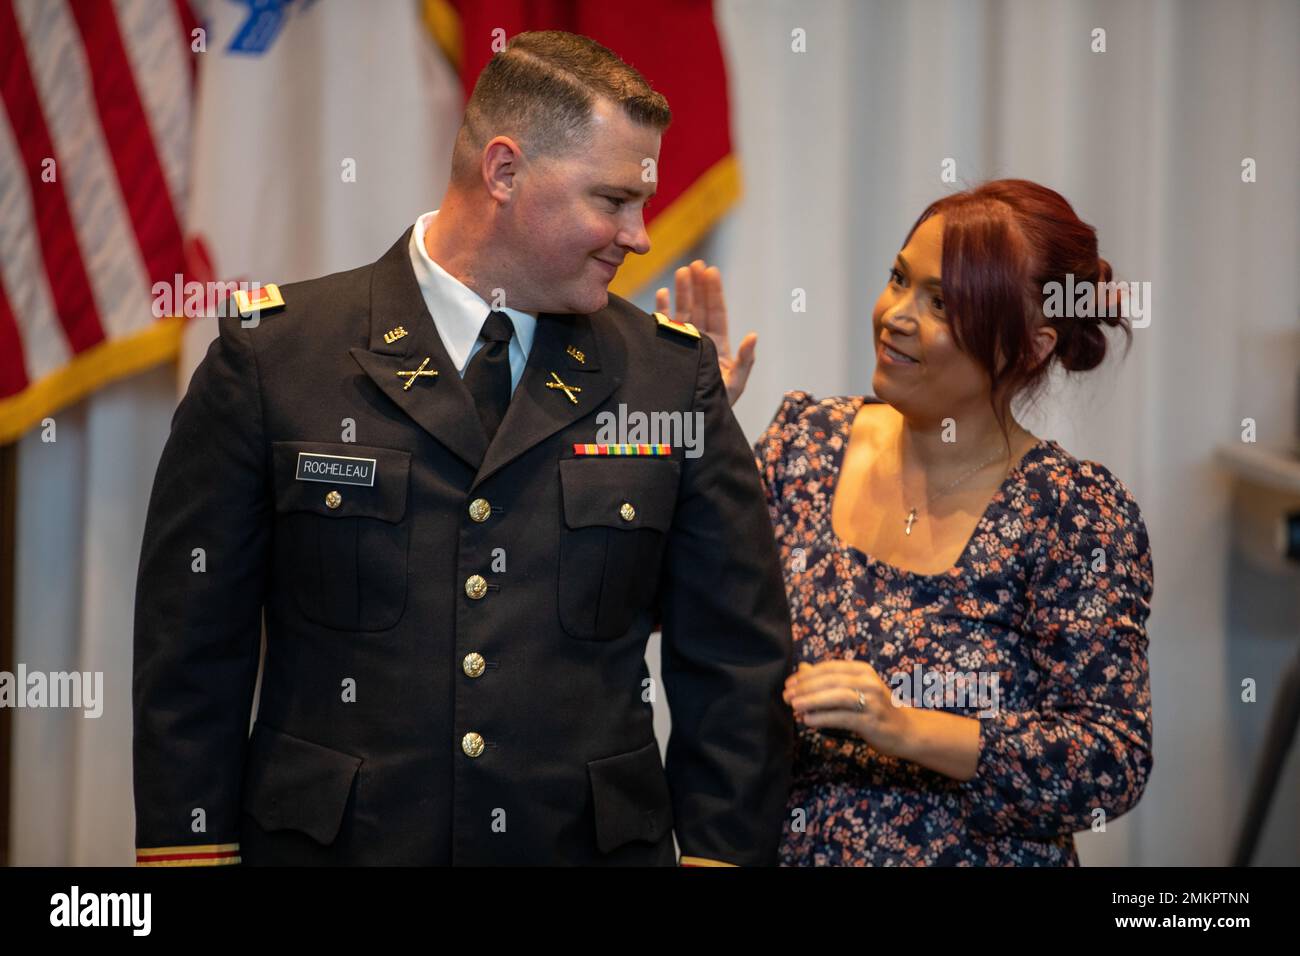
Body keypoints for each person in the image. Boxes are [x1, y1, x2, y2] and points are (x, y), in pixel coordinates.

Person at [132, 30, 794, 867]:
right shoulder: (275, 358)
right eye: (612, 200)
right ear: (505, 172)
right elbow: (191, 649)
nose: (640, 237)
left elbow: (735, 662)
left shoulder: (668, 379)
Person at [669, 179, 1154, 865]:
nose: (897, 315)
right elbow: (677, 608)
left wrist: (905, 727)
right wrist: (693, 431)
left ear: (1031, 346)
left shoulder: (1073, 515)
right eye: (899, 279)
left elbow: (1111, 761)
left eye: (943, 305)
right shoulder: (807, 443)